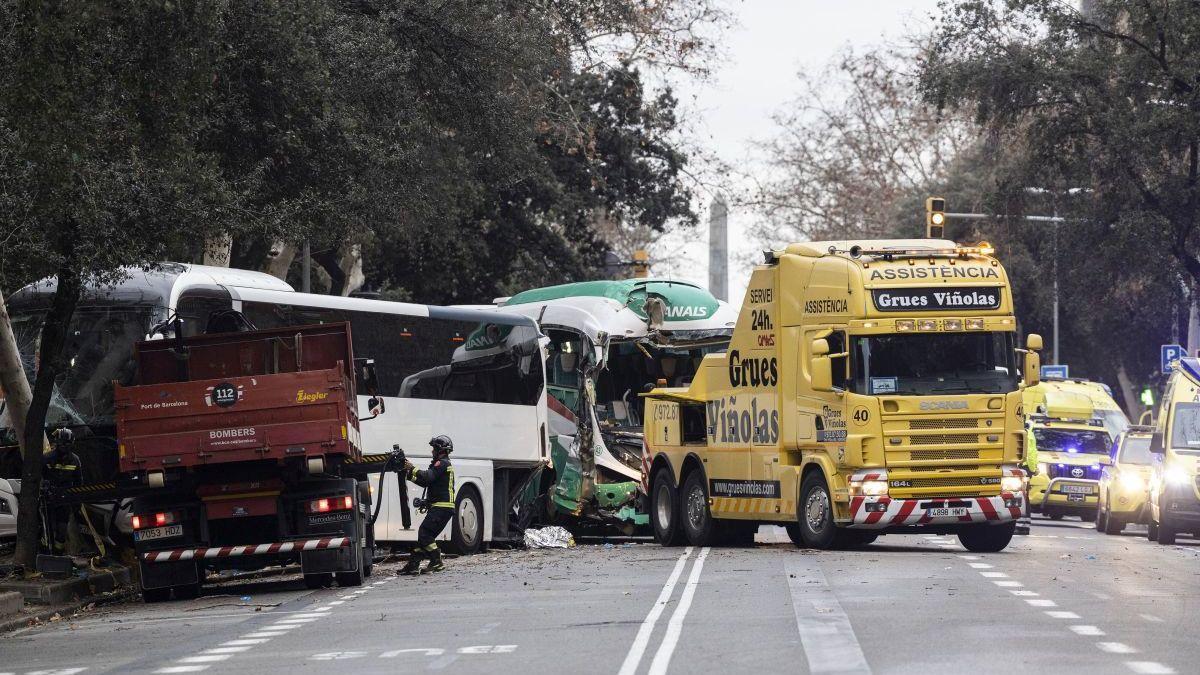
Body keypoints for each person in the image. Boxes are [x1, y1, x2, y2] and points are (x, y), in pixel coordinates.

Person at [399, 435, 456, 574]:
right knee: (424, 536)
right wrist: (409, 476)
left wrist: (412, 468)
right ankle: (413, 565)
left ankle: (437, 562)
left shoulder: (442, 463)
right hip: (441, 507)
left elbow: (428, 476)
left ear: (439, 450)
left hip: (442, 507)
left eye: (433, 448)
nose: (431, 451)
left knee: (425, 534)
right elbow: (425, 482)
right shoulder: (441, 464)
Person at [43, 428, 82, 554]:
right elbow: (39, 477)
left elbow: (78, 483)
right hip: (47, 500)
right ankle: (45, 551)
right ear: (57, 443)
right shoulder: (47, 459)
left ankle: (58, 553)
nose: (64, 447)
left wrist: (77, 504)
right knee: (46, 527)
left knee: (62, 529)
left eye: (67, 444)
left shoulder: (75, 461)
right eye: (62, 444)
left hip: (64, 499)